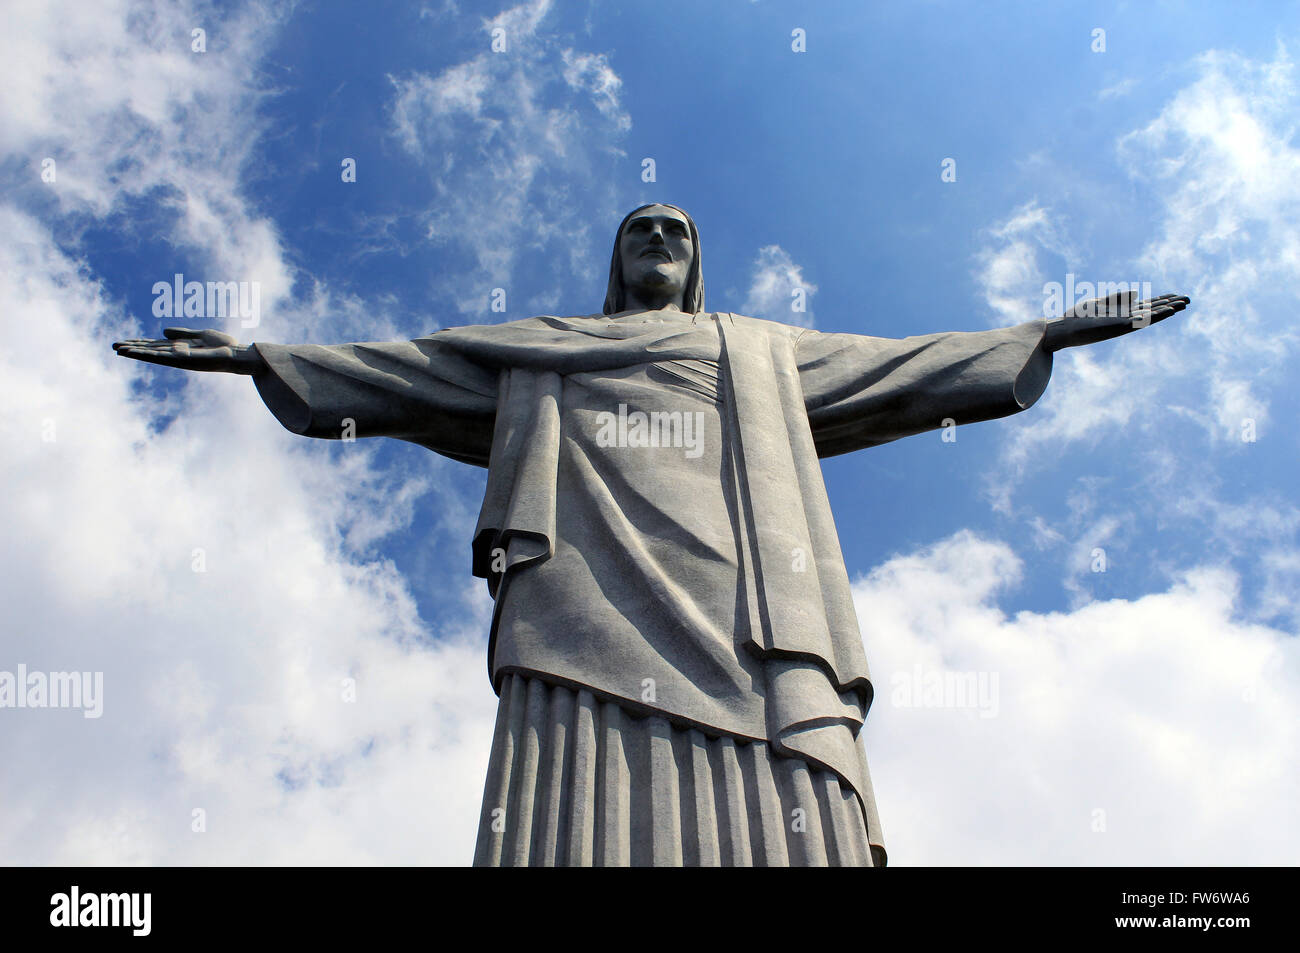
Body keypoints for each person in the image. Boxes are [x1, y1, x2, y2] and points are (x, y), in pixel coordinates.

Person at [114, 203, 1189, 866]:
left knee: (794, 788)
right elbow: (402, 371)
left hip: (749, 605)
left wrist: (1043, 332)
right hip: (579, 590)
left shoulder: (754, 350)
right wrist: (259, 355)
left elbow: (900, 367)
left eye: (676, 232)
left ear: (696, 260)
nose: (660, 243)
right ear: (617, 260)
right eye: (641, 232)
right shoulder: (541, 347)